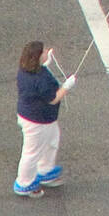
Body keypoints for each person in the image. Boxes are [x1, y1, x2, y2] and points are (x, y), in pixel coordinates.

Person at [14, 40, 76, 197]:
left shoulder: (26, 70)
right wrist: (66, 87)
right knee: (31, 152)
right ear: (37, 57)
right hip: (37, 121)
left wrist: (46, 63)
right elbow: (53, 99)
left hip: (39, 117)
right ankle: (24, 182)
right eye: (44, 51)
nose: (47, 51)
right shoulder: (40, 79)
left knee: (51, 141)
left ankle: (45, 169)